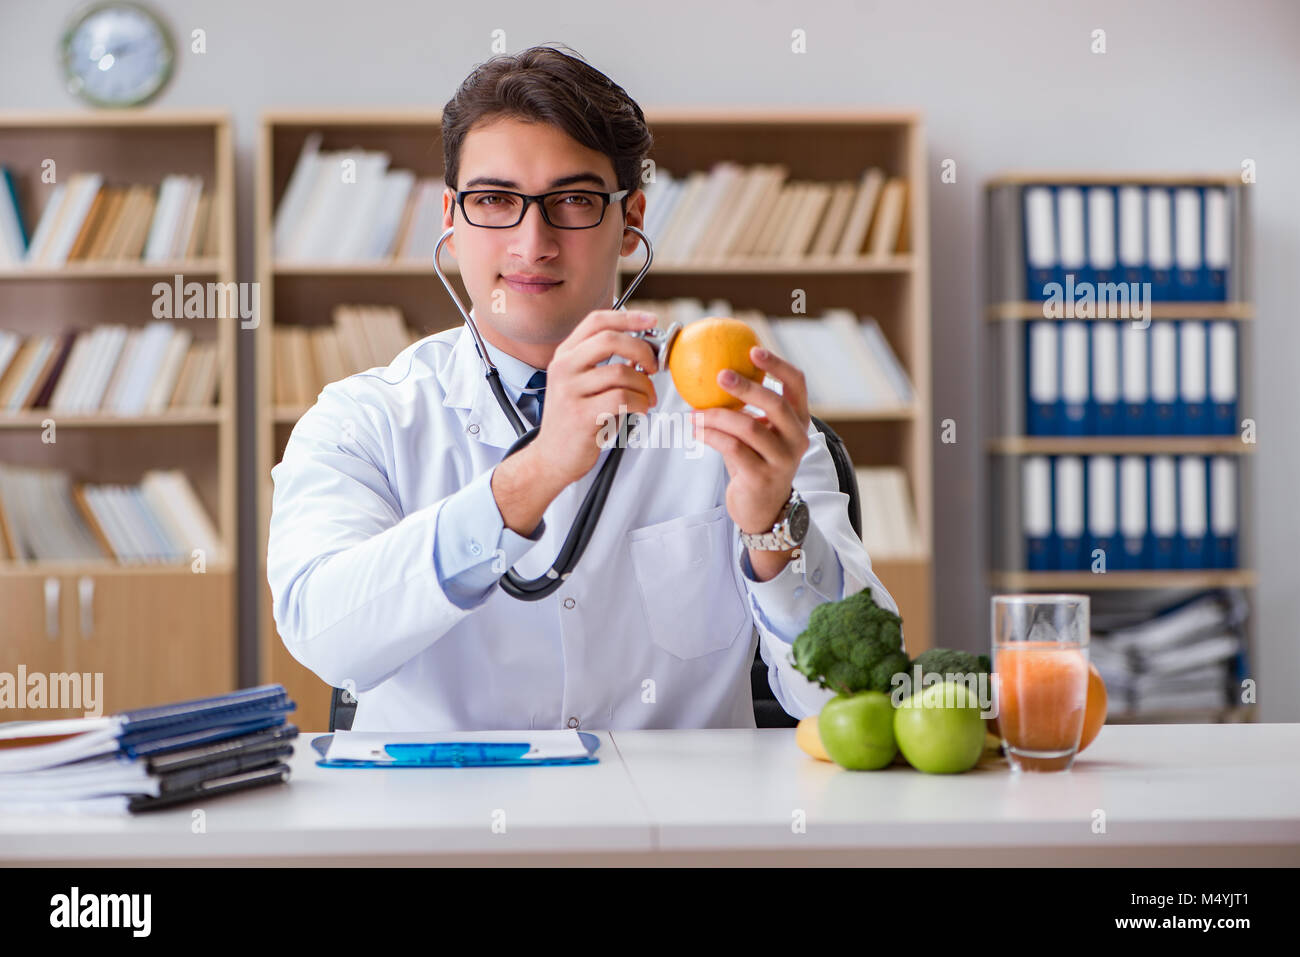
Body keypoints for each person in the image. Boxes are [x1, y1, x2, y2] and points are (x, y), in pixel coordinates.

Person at [266, 44, 900, 731]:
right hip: (441, 826)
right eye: (494, 200)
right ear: (451, 220)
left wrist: (773, 530)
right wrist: (531, 476)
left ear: (631, 223)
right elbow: (325, 636)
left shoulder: (736, 407)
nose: (532, 242)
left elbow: (858, 700)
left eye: (572, 199)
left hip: (674, 828)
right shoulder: (362, 420)